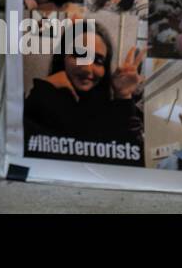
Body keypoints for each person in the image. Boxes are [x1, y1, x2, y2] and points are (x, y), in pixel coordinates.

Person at [23, 29, 145, 166]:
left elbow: (130, 161)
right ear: (62, 57)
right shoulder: (41, 98)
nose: (88, 68)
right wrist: (47, 88)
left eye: (98, 61)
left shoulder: (110, 111)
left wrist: (123, 96)